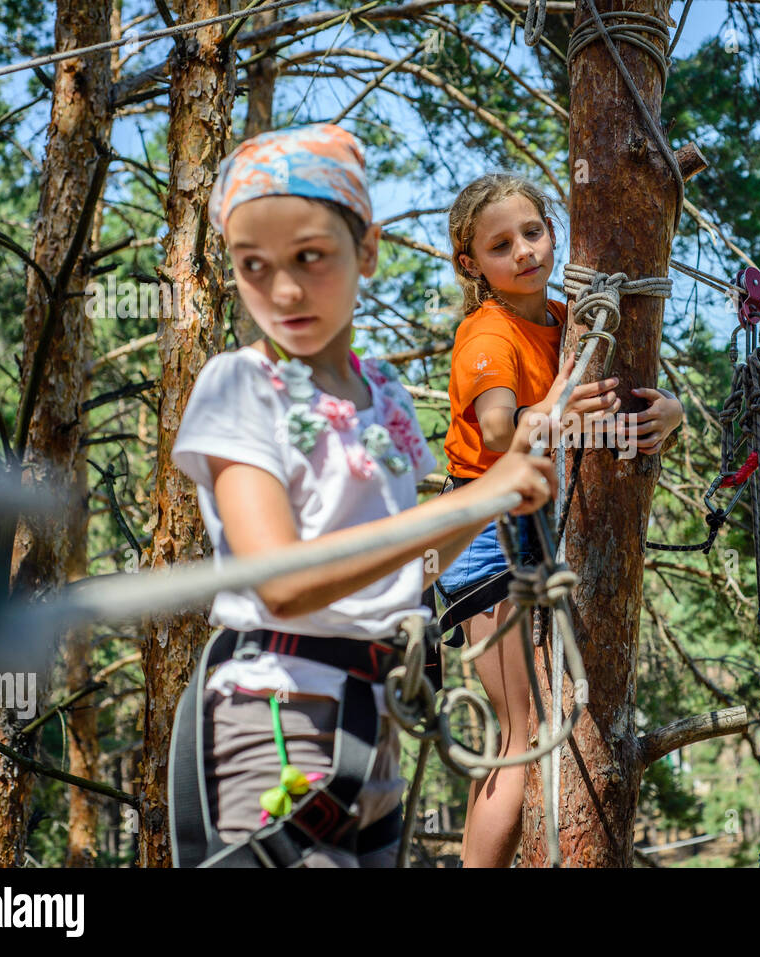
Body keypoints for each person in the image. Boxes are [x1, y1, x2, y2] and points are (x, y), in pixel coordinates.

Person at [168, 126, 556, 868]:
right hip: (273, 708)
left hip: (372, 719)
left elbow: (414, 560)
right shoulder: (239, 385)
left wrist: (492, 502)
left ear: (366, 251)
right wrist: (480, 496)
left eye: (310, 257)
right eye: (255, 265)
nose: (283, 290)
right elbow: (279, 581)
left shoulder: (385, 395)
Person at [438, 172, 685, 867]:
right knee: (524, 733)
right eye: (499, 244)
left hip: (540, 531)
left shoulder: (567, 318)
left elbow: (615, 403)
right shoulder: (487, 331)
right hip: (489, 537)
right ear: (471, 265)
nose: (522, 250)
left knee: (553, 721)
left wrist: (673, 413)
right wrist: (554, 412)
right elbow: (494, 431)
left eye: (533, 232)